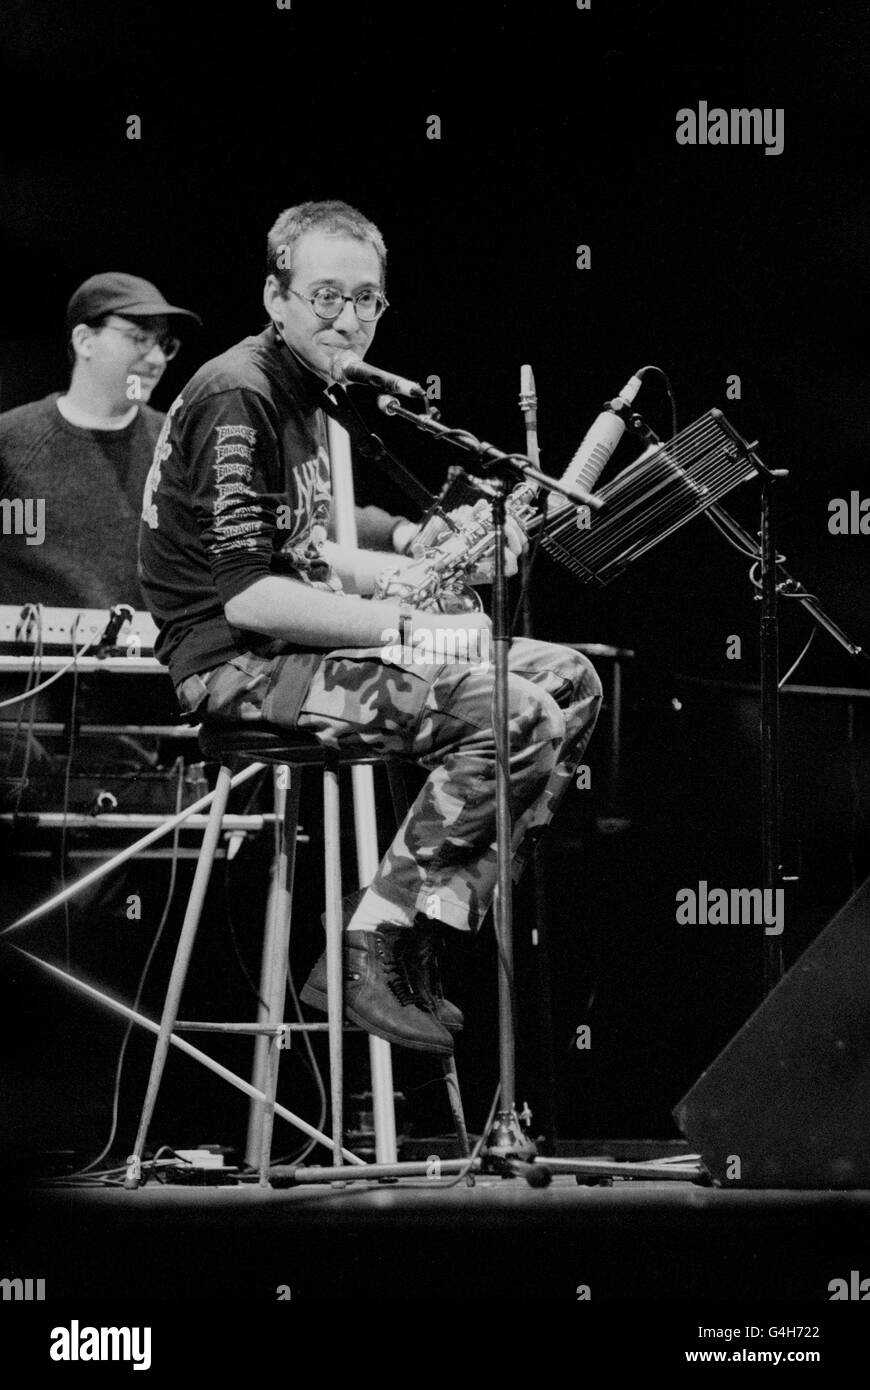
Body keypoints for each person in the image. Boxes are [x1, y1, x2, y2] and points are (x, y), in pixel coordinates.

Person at [138, 199, 602, 1056]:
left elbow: (313, 554)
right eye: (326, 297)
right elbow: (249, 597)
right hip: (241, 669)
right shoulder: (240, 394)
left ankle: (426, 928)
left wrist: (432, 557)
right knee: (517, 714)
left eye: (367, 301)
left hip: (299, 650)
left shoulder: (312, 392)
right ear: (275, 296)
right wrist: (405, 625)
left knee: (570, 679)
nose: (349, 321)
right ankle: (367, 943)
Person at [0, 272, 202, 608]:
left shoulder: (180, 445)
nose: (155, 360)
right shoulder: (10, 442)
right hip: (30, 658)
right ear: (84, 341)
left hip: (151, 660)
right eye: (139, 338)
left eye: (164, 345)